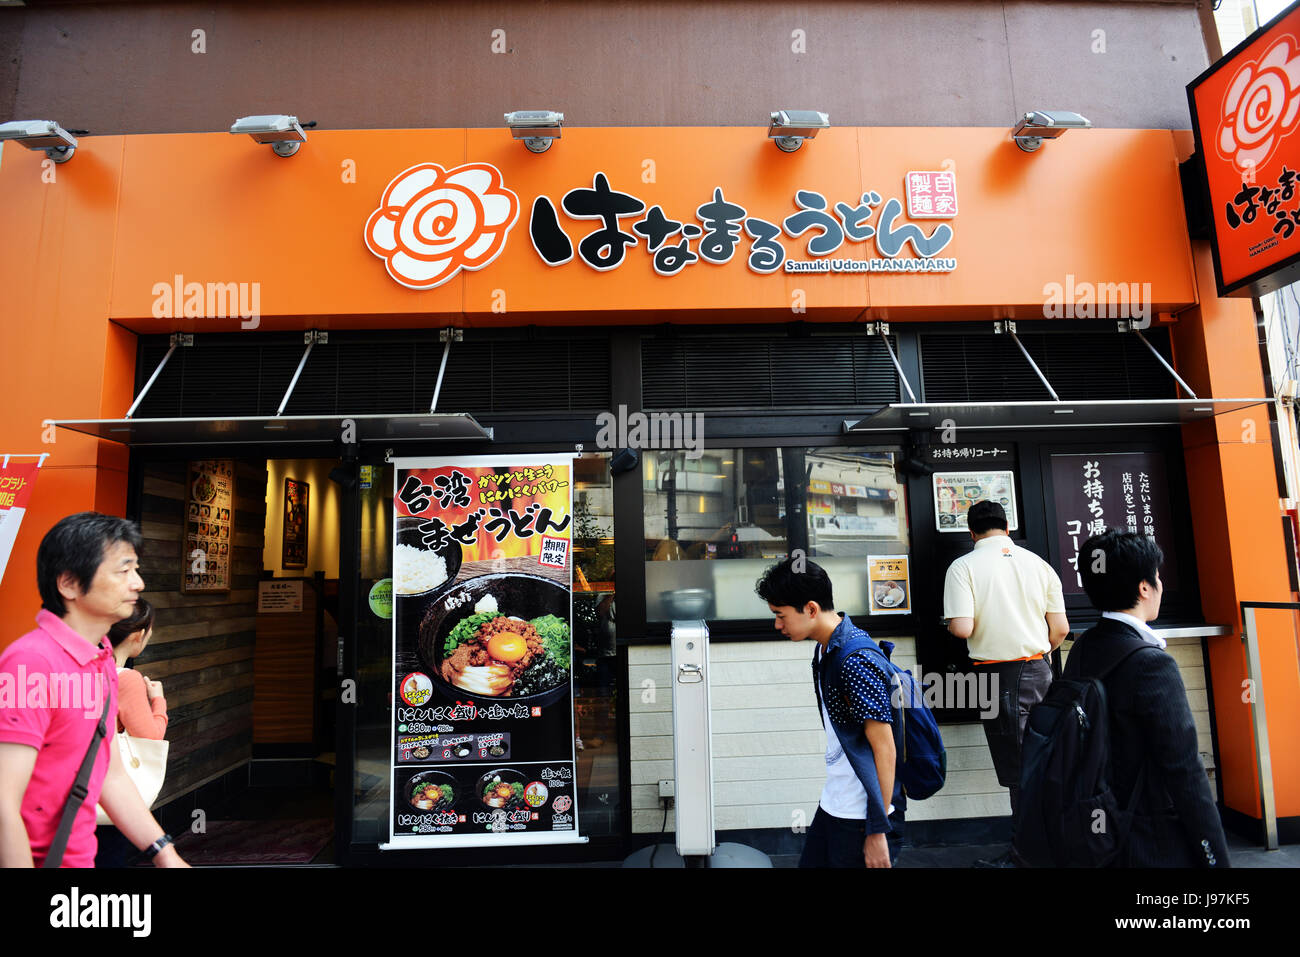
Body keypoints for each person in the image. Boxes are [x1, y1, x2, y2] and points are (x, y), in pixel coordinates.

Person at [0, 512, 188, 868]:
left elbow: (111, 777)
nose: (138, 583)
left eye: (135, 570)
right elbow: (2, 802)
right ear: (69, 584)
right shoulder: (30, 663)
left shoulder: (101, 660)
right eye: (123, 571)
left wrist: (166, 854)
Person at [1067, 529, 1229, 867]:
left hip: (1097, 826)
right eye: (1156, 576)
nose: (1159, 585)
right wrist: (1215, 855)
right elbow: (1184, 769)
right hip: (1148, 836)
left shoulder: (1084, 647)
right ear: (1144, 587)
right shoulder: (1152, 663)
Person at [943, 500, 1069, 867]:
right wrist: (1037, 653)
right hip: (1041, 671)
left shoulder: (963, 566)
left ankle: (1026, 857)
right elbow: (1059, 628)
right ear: (1007, 527)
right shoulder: (1038, 564)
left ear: (971, 532)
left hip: (999, 677)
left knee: (1020, 771)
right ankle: (1047, 848)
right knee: (1044, 763)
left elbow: (962, 628)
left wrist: (950, 623)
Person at [756, 557, 902, 868]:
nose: (777, 625)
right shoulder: (825, 649)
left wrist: (877, 831)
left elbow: (885, 749)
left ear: (810, 609)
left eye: (781, 616)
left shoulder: (854, 660)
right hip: (836, 801)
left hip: (862, 814)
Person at [94, 598, 168, 867]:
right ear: (138, 635)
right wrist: (159, 701)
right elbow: (150, 736)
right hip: (109, 798)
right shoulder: (127, 679)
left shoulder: (87, 670)